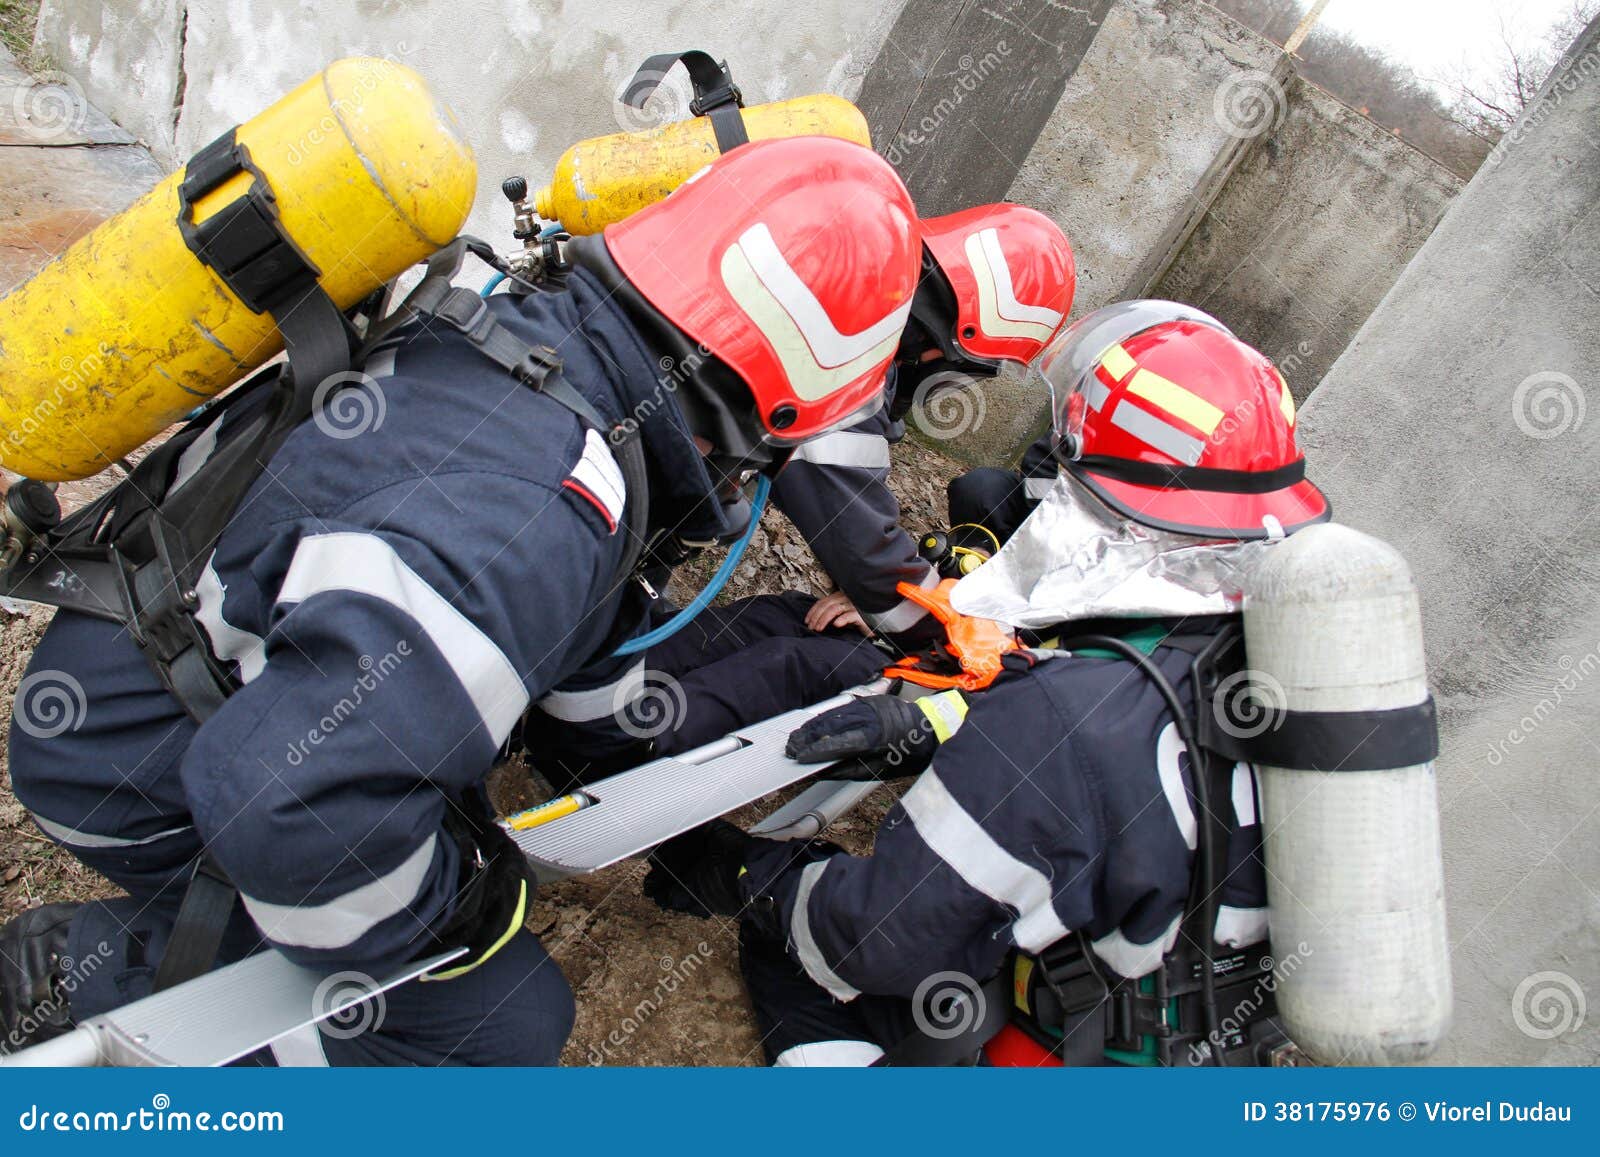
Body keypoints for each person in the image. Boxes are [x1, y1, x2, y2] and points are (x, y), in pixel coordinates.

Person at [0, 136, 924, 1065]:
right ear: (788, 406)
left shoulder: (541, 335)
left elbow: (567, 661)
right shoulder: (546, 511)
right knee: (502, 1019)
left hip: (163, 664)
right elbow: (283, 801)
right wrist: (459, 916)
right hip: (140, 767)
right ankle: (90, 971)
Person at [644, 300, 1330, 1066]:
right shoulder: (1299, 654)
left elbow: (876, 934)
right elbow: (1134, 747)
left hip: (1087, 1056)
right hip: (1224, 1024)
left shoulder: (1058, 721)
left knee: (799, 950)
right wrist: (939, 722)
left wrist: (750, 872)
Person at [521, 202, 1077, 779]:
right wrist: (946, 628)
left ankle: (573, 689)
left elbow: (840, 506)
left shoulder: (841, 292)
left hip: (583, 494)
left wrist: (888, 593)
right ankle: (597, 749)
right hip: (585, 526)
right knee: (830, 664)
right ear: (950, 342)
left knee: (789, 617)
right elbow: (852, 524)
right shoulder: (853, 357)